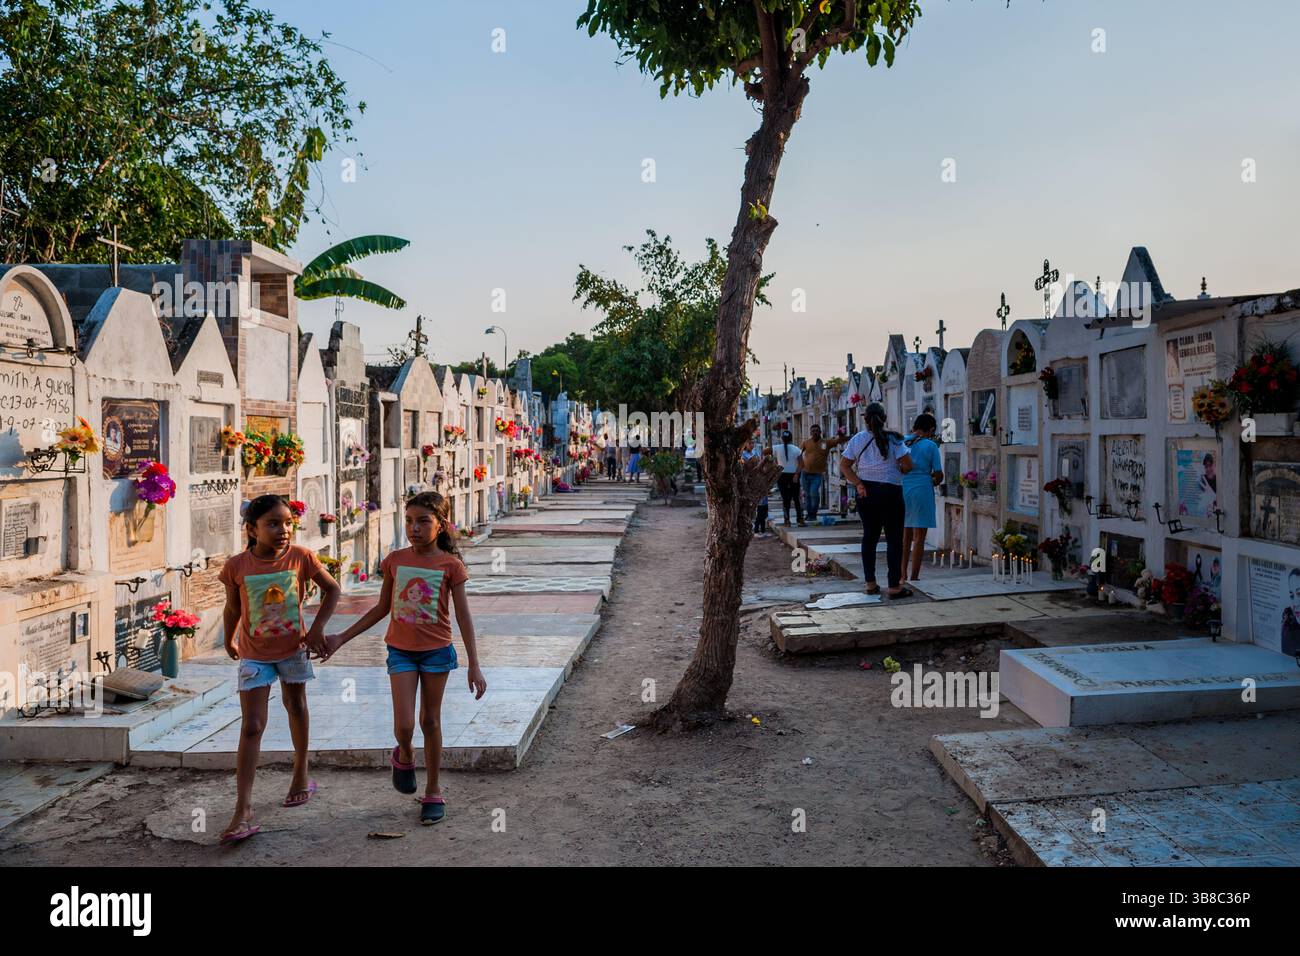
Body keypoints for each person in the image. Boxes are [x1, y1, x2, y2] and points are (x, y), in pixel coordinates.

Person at [324, 492, 487, 824]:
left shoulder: (450, 565)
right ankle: (406, 754)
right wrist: (341, 637)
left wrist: (475, 664)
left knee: (431, 721)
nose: (414, 528)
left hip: (437, 652)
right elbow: (382, 608)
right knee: (404, 725)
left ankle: (434, 790)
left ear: (441, 525)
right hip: (400, 650)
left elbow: (464, 617)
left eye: (423, 521)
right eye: (409, 520)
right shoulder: (395, 560)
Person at [218, 495, 340, 843]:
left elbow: (332, 590)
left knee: (296, 706)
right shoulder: (237, 566)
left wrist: (316, 630)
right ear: (252, 529)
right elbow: (232, 608)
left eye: (287, 523)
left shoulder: (301, 557)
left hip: (293, 650)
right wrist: (230, 639)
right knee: (253, 725)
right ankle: (242, 809)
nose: (283, 530)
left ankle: (301, 773)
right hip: (255, 654)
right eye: (273, 523)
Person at [838, 402, 914, 598]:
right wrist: (900, 469)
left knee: (869, 538)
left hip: (867, 493)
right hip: (891, 493)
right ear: (885, 418)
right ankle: (895, 587)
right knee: (894, 540)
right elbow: (908, 465)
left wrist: (858, 484)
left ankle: (870, 584)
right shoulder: (895, 440)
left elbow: (844, 465)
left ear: (865, 420)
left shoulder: (858, 440)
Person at [901, 413, 944, 581]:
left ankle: (902, 574)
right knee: (919, 537)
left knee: (905, 536)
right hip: (922, 489)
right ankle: (914, 576)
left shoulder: (902, 441)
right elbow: (939, 474)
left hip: (903, 488)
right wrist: (932, 481)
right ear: (931, 430)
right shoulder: (930, 445)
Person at [798, 423, 848, 522]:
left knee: (814, 493)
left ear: (820, 432)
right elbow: (798, 454)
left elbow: (838, 441)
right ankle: (809, 514)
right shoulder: (806, 443)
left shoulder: (826, 442)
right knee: (807, 494)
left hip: (817, 474)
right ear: (810, 433)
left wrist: (842, 435)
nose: (815, 433)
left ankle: (813, 514)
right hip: (805, 473)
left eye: (816, 431)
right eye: (813, 431)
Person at [772, 430, 804, 526]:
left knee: (785, 499)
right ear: (791, 439)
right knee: (796, 498)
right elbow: (802, 464)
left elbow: (764, 452)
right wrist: (796, 475)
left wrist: (774, 465)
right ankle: (800, 520)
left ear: (782, 439)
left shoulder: (776, 448)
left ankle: (787, 520)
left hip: (782, 475)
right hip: (794, 475)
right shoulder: (796, 449)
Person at [742, 436, 771, 536]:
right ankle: (756, 529)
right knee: (757, 506)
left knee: (764, 506)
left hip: (760, 480)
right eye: (749, 443)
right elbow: (749, 467)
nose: (751, 445)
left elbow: (760, 465)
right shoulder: (743, 455)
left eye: (752, 443)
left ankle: (762, 530)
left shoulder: (755, 452)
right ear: (745, 444)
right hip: (750, 482)